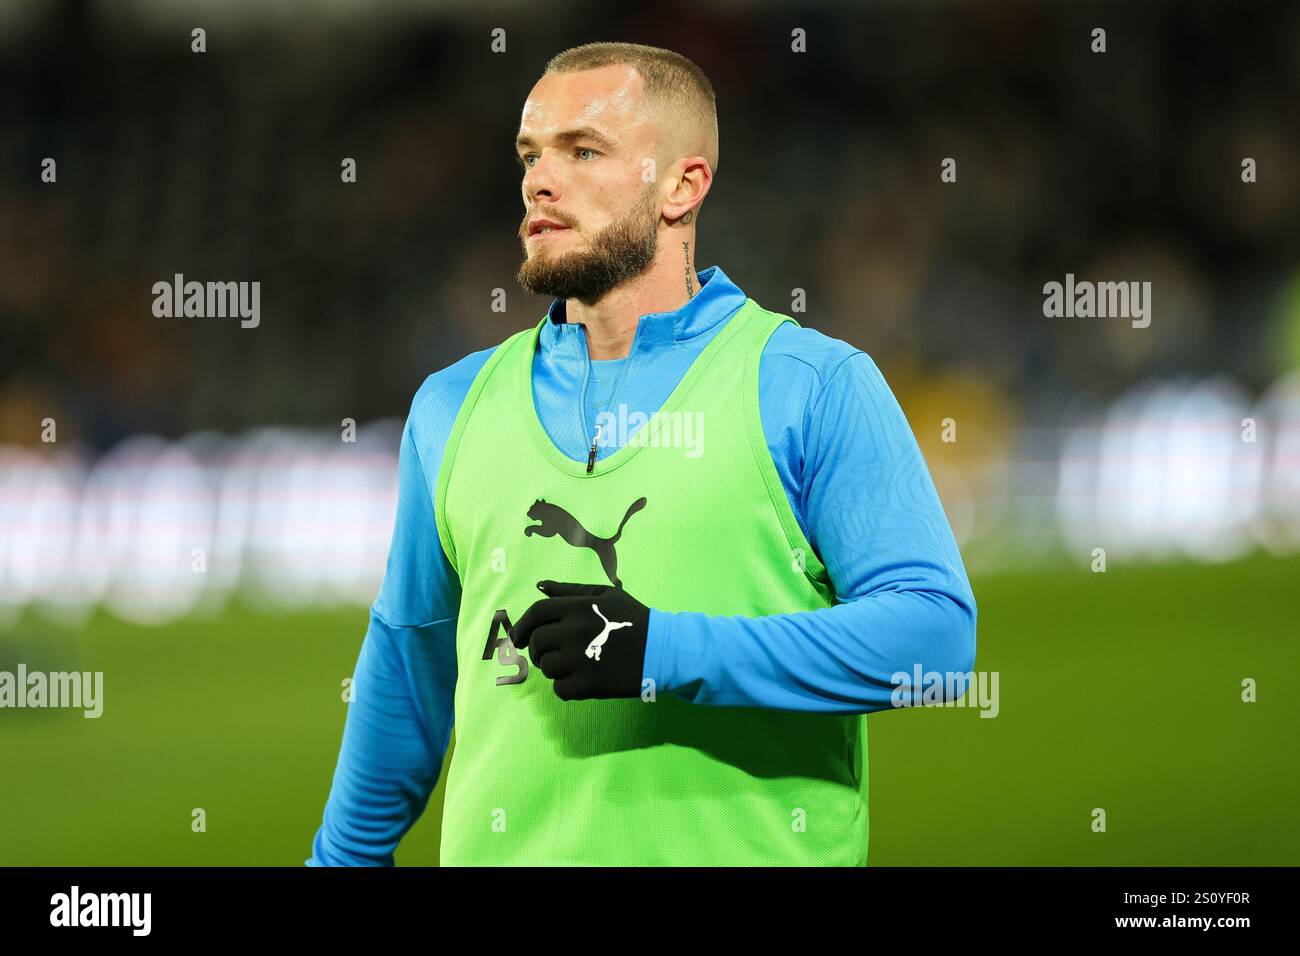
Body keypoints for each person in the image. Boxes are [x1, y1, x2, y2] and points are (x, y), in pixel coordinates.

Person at [308, 41, 976, 867]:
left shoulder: (809, 386)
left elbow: (937, 642)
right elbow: (408, 670)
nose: (539, 181)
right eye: (530, 154)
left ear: (682, 186)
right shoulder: (451, 408)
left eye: (583, 150)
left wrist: (667, 654)